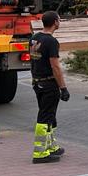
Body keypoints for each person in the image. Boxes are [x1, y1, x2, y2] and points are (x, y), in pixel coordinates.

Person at [29, 11, 68, 164]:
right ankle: (40, 153)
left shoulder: (34, 38)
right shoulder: (51, 41)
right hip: (49, 83)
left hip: (38, 82)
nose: (60, 22)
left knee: (50, 115)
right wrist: (63, 87)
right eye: (59, 20)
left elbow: (33, 62)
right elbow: (55, 66)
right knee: (45, 117)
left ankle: (51, 147)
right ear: (55, 22)